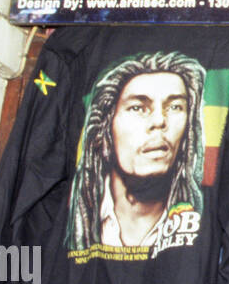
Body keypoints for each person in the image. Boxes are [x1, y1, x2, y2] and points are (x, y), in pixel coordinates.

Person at [67, 50, 206, 251]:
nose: (159, 121)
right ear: (105, 127)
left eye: (175, 107)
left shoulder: (207, 224)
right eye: (137, 107)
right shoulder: (67, 213)